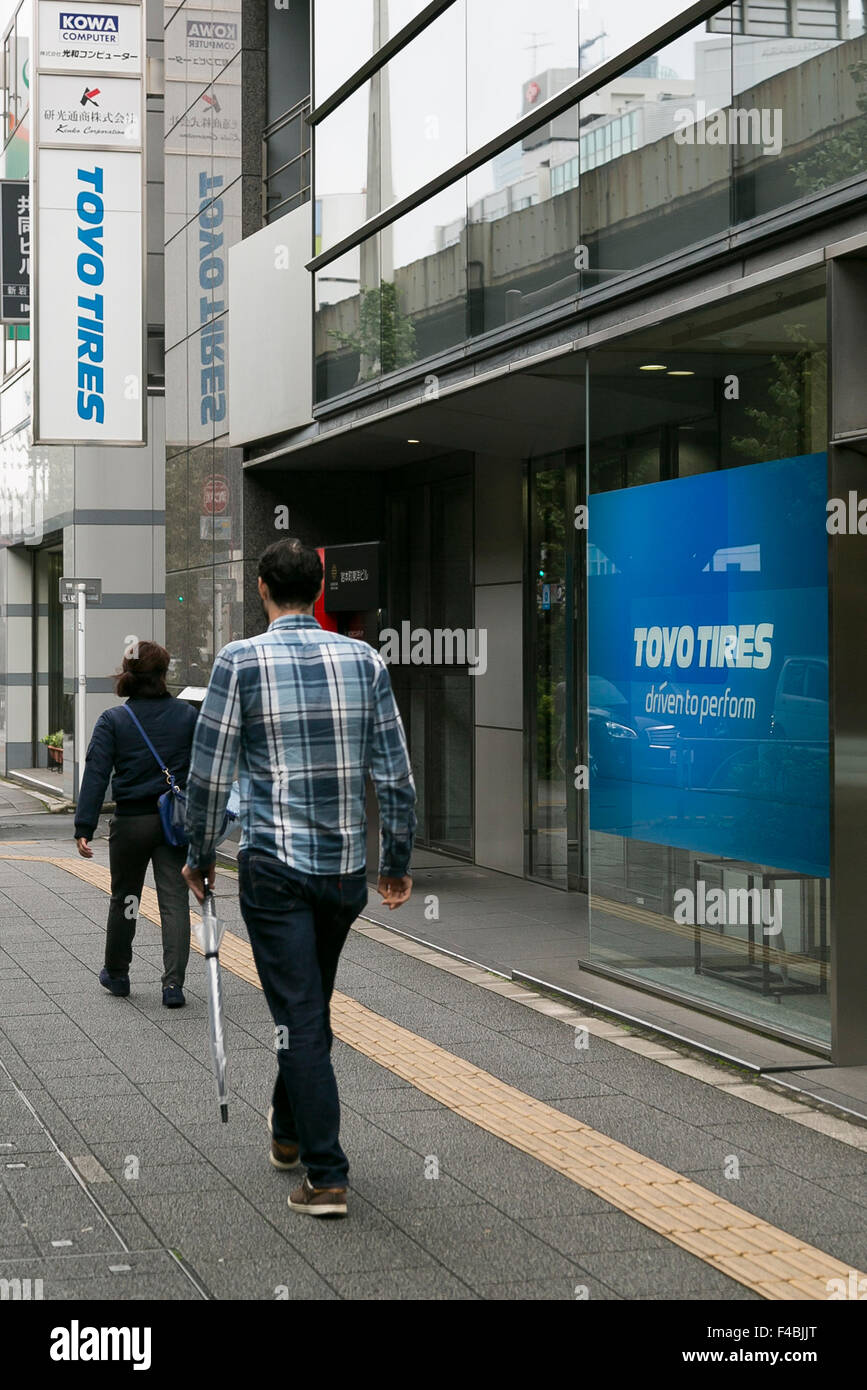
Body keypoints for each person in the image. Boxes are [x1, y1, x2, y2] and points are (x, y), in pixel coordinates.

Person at [182, 538, 416, 1219]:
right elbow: (394, 774)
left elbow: (210, 773)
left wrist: (198, 854)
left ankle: (326, 1173)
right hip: (343, 871)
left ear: (261, 588)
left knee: (300, 1013)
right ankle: (288, 1131)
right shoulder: (364, 660)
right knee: (306, 1006)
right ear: (318, 589)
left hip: (274, 868)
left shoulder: (240, 661)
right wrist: (394, 863)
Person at [74, 641, 198, 1008]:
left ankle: (118, 974)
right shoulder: (187, 716)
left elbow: (96, 774)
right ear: (163, 675)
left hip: (131, 823)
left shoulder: (114, 720)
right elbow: (203, 771)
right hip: (173, 823)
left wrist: (84, 826)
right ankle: (173, 985)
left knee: (126, 897)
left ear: (128, 676)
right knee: (174, 901)